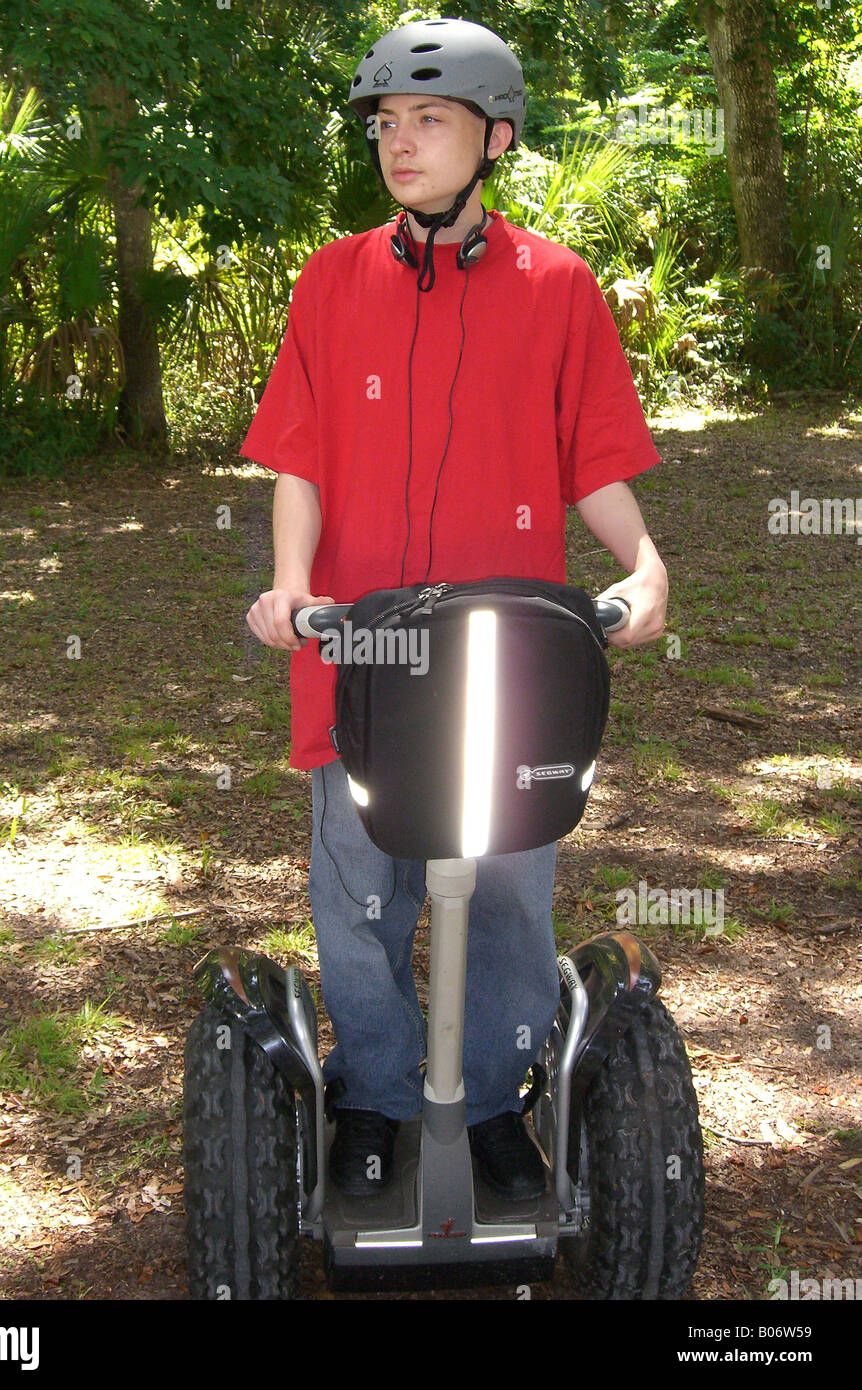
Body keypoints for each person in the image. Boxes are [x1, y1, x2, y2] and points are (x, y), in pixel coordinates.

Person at [243, 18, 667, 1200]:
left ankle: (488, 1102)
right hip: (361, 648)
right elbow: (299, 458)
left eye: (427, 119)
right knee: (363, 893)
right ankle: (374, 1096)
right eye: (386, 122)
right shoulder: (330, 279)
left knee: (504, 902)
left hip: (508, 661)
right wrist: (293, 587)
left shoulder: (557, 286)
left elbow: (594, 462)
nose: (399, 142)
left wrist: (645, 566)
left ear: (495, 138)